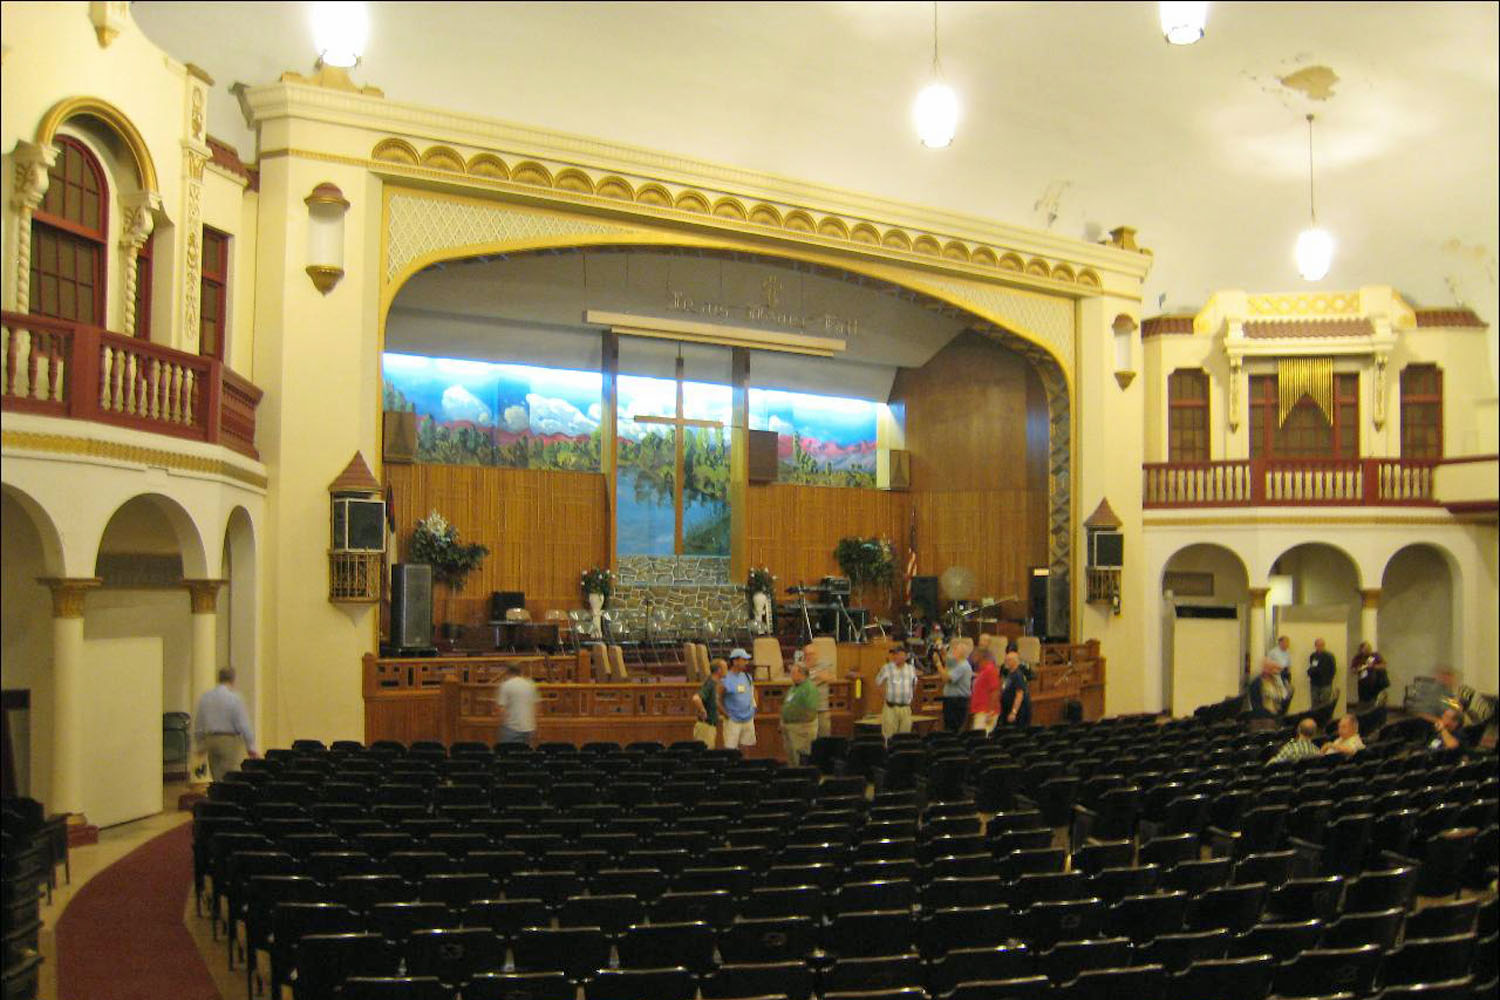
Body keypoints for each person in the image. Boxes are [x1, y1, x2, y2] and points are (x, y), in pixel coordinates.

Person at [194, 666, 257, 781]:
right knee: (230, 776)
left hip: (210, 739)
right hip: (229, 740)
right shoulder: (235, 698)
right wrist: (251, 746)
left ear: (218, 678)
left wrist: (200, 744)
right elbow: (243, 724)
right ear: (233, 679)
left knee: (216, 776)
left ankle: (218, 797)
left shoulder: (206, 697)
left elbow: (199, 722)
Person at [874, 645, 918, 742]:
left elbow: (914, 684)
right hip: (891, 708)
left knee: (905, 738)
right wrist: (885, 698)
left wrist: (910, 698)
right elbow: (878, 683)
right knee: (889, 737)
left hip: (906, 708)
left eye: (898, 654)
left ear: (906, 656)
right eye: (894, 654)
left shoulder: (911, 669)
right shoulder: (887, 668)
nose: (895, 656)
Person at [779, 661, 820, 764]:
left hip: (801, 730)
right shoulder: (794, 687)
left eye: (793, 673)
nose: (791, 675)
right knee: (791, 756)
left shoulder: (809, 688)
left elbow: (810, 711)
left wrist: (795, 723)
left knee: (799, 758)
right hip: (790, 728)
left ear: (802, 674)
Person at [720, 648, 758, 749]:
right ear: (735, 661)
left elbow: (754, 692)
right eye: (744, 660)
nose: (747, 662)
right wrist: (725, 714)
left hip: (748, 719)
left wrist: (753, 708)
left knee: (747, 747)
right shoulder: (725, 678)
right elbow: (718, 697)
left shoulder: (747, 677)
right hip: (733, 720)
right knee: (731, 749)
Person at [497, 662, 539, 745]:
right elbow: (536, 706)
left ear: (508, 673)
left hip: (512, 728)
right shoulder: (530, 684)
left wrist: (501, 722)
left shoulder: (506, 685)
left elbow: (501, 709)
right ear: (521, 672)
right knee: (525, 754)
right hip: (529, 727)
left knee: (507, 754)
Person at [941, 637, 974, 733]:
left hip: (956, 702)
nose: (953, 651)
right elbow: (948, 661)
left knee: (952, 729)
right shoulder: (958, 663)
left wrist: (938, 665)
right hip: (954, 700)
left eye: (955, 650)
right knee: (949, 728)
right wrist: (943, 652)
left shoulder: (962, 666)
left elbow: (946, 678)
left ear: (961, 653)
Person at [692, 657, 726, 747]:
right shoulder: (710, 684)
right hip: (705, 726)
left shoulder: (715, 684)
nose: (727, 670)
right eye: (725, 668)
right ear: (719, 670)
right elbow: (696, 698)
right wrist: (702, 710)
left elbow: (715, 702)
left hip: (710, 726)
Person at [804, 643, 836, 739]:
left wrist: (811, 677)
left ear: (817, 655)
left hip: (822, 710)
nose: (809, 656)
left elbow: (830, 677)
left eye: (812, 654)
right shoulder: (800, 667)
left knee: (824, 740)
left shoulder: (824, 665)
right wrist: (818, 677)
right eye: (807, 654)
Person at [970, 651, 1002, 734]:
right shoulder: (983, 671)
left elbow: (995, 691)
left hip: (986, 711)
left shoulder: (990, 670)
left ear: (982, 657)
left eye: (975, 657)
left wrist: (990, 710)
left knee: (981, 737)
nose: (973, 660)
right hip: (981, 710)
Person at [1000, 649, 1032, 728]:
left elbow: (1019, 695)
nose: (1006, 662)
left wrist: (1013, 712)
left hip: (1019, 713)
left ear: (1016, 662)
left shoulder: (1018, 675)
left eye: (1009, 660)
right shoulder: (1009, 674)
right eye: (1005, 660)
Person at [1307, 637, 1337, 708]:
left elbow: (1333, 669)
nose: (1319, 647)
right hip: (1315, 683)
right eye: (1318, 645)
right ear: (1315, 646)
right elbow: (1312, 666)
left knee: (1325, 704)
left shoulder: (1329, 656)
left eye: (1321, 645)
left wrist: (1329, 679)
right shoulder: (1313, 656)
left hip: (1325, 684)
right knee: (1314, 703)